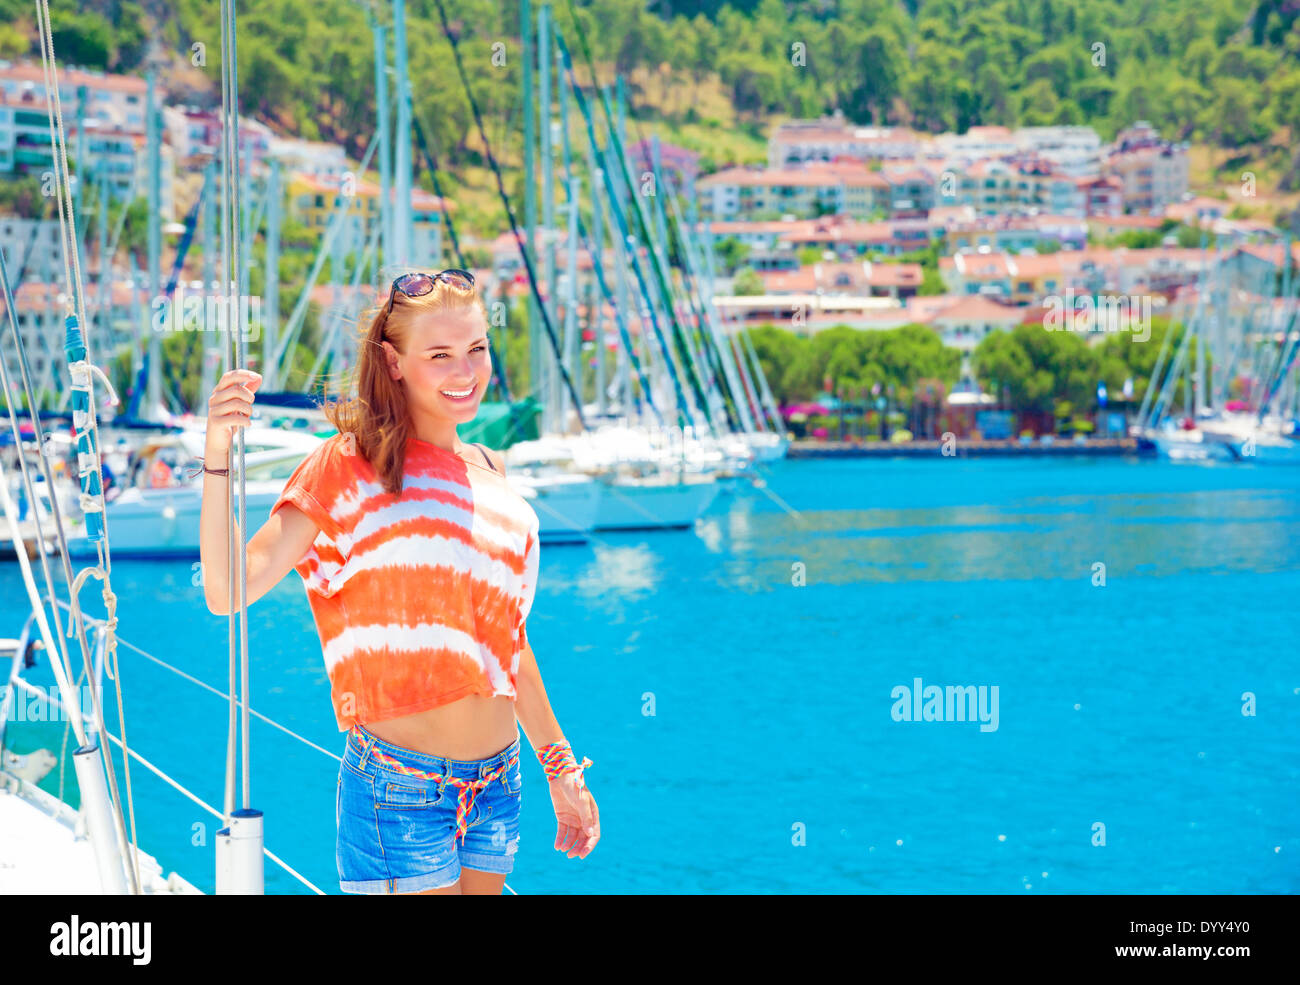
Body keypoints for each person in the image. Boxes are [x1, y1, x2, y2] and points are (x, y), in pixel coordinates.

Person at [197, 268, 598, 895]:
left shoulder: (490, 469)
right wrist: (217, 450)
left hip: (499, 784)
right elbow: (226, 590)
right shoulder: (347, 464)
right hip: (398, 786)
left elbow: (507, 641)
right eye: (439, 355)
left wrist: (561, 766)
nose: (464, 371)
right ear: (394, 361)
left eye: (476, 349)